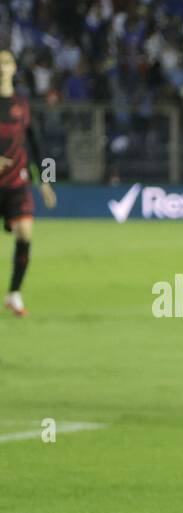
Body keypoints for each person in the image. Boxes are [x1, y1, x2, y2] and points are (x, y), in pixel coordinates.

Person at [0, 50, 56, 317]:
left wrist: (45, 181)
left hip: (16, 182)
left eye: (6, 64)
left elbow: (37, 144)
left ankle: (14, 294)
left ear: (14, 68)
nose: (2, 69)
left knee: (25, 233)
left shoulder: (22, 104)